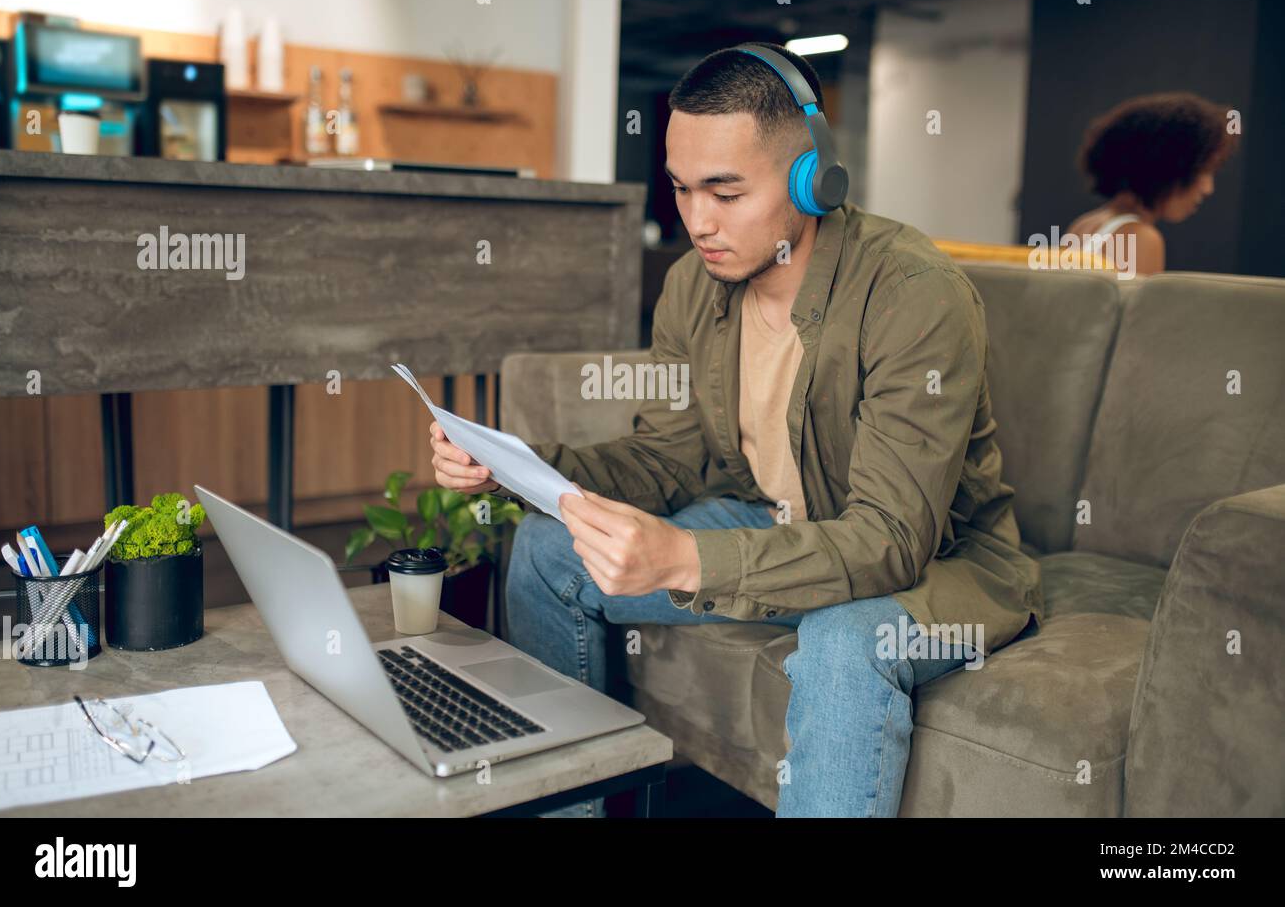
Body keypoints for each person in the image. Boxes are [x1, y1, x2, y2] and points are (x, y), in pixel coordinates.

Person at [431, 42, 1042, 817]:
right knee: (550, 551)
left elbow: (889, 539)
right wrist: (517, 466)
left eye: (725, 191)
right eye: (682, 189)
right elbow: (665, 457)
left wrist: (687, 559)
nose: (695, 221)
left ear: (811, 179)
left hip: (941, 567)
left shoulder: (914, 295)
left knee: (845, 640)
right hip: (780, 526)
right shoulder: (694, 285)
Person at [1066, 92, 1237, 276]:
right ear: (1167, 165)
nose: (1208, 188)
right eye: (1203, 171)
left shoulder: (1083, 224)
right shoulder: (1142, 238)